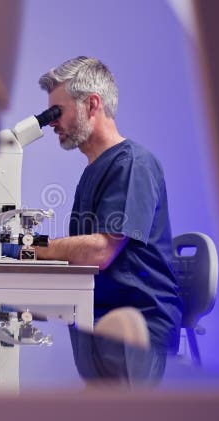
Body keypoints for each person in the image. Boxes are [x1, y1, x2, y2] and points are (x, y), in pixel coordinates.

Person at [34, 56, 182, 384]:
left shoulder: (133, 164)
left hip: (136, 332)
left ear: (92, 104)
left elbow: (99, 252)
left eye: (57, 112)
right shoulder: (94, 170)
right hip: (98, 321)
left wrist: (30, 247)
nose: (51, 123)